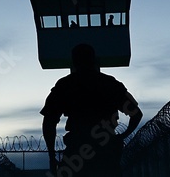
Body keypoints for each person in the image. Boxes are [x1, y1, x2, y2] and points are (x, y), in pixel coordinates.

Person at [41, 44, 143, 177]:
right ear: (94, 60)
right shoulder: (110, 84)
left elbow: (49, 122)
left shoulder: (65, 85)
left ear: (74, 62)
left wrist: (52, 156)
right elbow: (136, 113)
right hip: (106, 151)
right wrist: (122, 136)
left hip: (78, 152)